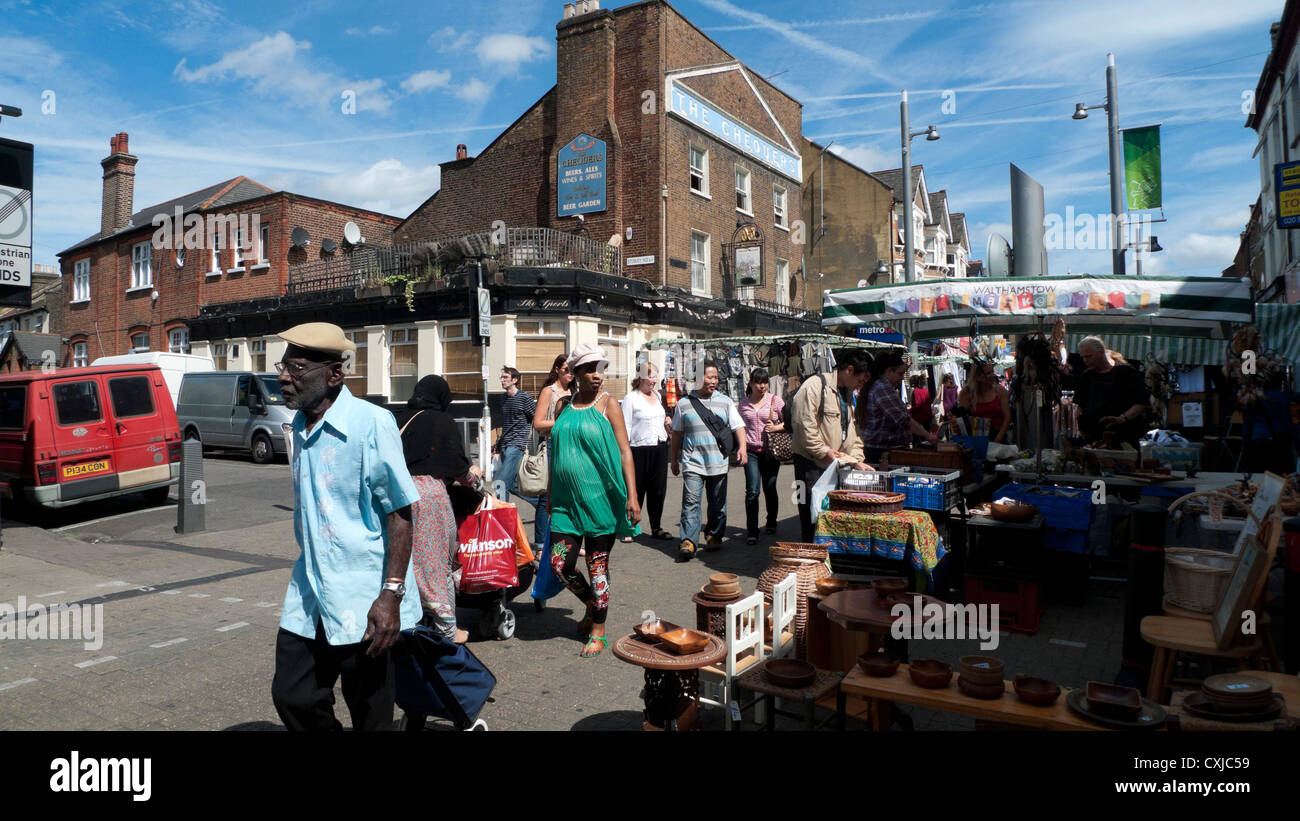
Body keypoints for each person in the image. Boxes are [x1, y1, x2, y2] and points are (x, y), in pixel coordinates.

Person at [270, 322, 421, 732]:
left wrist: (390, 595)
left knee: (370, 712)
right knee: (292, 694)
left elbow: (401, 513)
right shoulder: (299, 426)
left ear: (335, 374)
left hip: (364, 597)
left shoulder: (371, 423)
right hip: (311, 591)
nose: (284, 377)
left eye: (297, 368)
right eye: (283, 366)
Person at [547, 344, 641, 657]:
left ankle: (598, 628)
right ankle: (591, 603)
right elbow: (556, 453)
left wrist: (632, 496)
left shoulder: (608, 404)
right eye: (588, 369)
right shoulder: (563, 406)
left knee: (597, 567)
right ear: (573, 373)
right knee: (559, 564)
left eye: (598, 368)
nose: (596, 375)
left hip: (600, 500)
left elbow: (625, 451)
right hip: (565, 503)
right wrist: (550, 492)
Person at [394, 375, 481, 645]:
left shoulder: (398, 419)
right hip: (427, 497)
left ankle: (410, 618)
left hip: (396, 496)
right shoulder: (441, 420)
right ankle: (448, 628)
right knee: (435, 564)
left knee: (403, 562)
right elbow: (455, 465)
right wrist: (475, 478)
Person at [790, 351, 872, 543]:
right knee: (811, 515)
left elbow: (855, 433)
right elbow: (805, 428)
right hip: (810, 465)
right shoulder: (814, 386)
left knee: (833, 517)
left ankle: (828, 558)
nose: (861, 384)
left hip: (836, 465)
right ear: (849, 370)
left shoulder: (850, 394)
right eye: (860, 380)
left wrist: (856, 459)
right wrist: (825, 452)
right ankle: (812, 562)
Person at [670, 362, 747, 562]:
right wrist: (673, 460)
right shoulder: (684, 404)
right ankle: (688, 540)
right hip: (692, 462)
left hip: (718, 462)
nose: (713, 381)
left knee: (717, 503)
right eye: (709, 377)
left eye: (715, 378)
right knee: (691, 502)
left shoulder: (726, 402)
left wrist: (743, 448)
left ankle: (714, 534)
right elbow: (677, 434)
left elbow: (738, 426)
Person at [493, 366, 546, 548]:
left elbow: (536, 418)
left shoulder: (524, 397)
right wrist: (498, 446)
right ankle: (540, 503)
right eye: (501, 377)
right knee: (513, 484)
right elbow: (506, 424)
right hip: (506, 445)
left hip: (518, 445)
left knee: (500, 484)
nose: (502, 380)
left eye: (506, 377)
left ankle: (502, 529)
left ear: (515, 380)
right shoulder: (502, 399)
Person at [621, 362, 672, 541]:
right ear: (641, 377)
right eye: (651, 376)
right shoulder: (631, 398)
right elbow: (625, 426)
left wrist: (667, 423)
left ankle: (656, 527)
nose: (654, 380)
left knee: (658, 490)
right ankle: (630, 527)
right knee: (637, 488)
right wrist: (624, 450)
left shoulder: (658, 396)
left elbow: (660, 420)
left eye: (655, 376)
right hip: (638, 449)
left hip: (659, 447)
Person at [861, 352, 939, 463]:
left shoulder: (883, 387)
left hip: (882, 449)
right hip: (880, 451)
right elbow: (902, 419)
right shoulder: (882, 388)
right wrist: (927, 436)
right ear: (889, 371)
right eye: (900, 374)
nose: (902, 378)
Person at [1075, 336, 1150, 448]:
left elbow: (1142, 402)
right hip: (1094, 438)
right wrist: (1081, 427)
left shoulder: (1125, 372)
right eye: (1083, 357)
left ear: (1101, 352)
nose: (1086, 360)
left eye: (1089, 356)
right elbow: (1079, 405)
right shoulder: (1088, 375)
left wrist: (1122, 418)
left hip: (1123, 437)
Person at [738, 368, 784, 544]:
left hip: (771, 451)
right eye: (758, 382)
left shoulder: (775, 401)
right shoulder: (743, 404)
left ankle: (771, 522)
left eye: (765, 382)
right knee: (752, 490)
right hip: (751, 451)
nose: (762, 386)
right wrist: (740, 448)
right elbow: (739, 427)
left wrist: (777, 427)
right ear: (751, 383)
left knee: (770, 488)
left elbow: (790, 420)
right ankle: (752, 530)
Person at [958, 359, 1011, 443]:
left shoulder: (1000, 391)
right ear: (978, 377)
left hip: (998, 438)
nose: (992, 375)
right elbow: (962, 419)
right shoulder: (966, 393)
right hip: (975, 440)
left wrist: (999, 437)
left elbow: (1007, 417)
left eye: (992, 372)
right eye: (988, 373)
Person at [908, 373, 934, 445]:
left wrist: (909, 410)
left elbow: (917, 404)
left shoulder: (916, 391)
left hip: (919, 419)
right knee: (926, 439)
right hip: (927, 418)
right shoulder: (925, 390)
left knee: (918, 441)